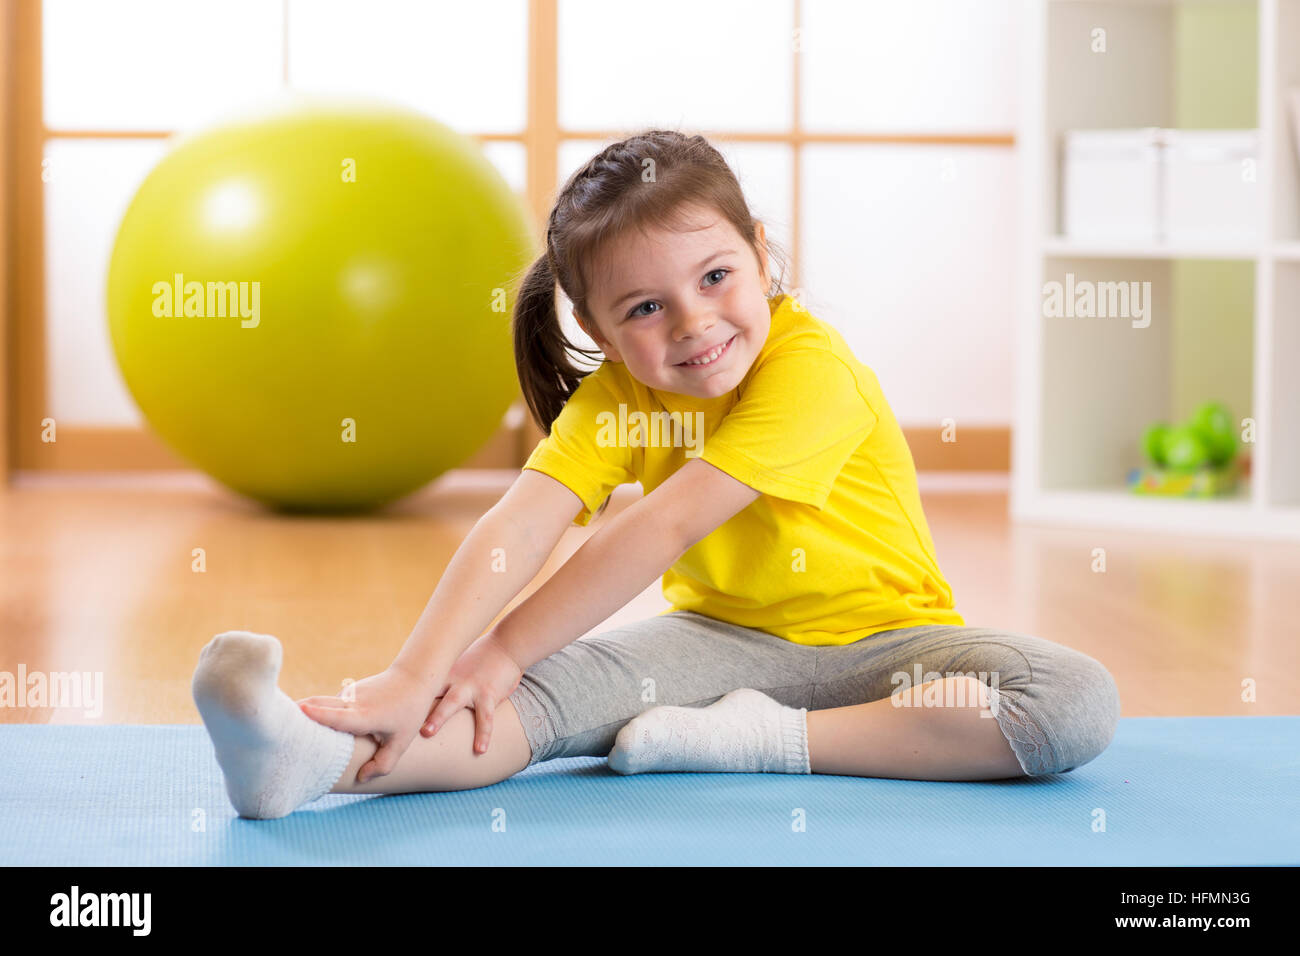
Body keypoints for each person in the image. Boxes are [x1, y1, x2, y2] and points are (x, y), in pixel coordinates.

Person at [191, 129, 1120, 820]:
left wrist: (506, 644)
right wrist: (420, 670)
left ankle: (757, 742)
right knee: (510, 704)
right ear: (598, 329)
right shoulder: (618, 398)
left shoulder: (814, 370)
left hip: (888, 657)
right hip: (713, 646)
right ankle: (307, 761)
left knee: (1072, 703)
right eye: (645, 306)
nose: (692, 324)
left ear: (761, 253)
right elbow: (522, 522)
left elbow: (663, 527)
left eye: (716, 276)